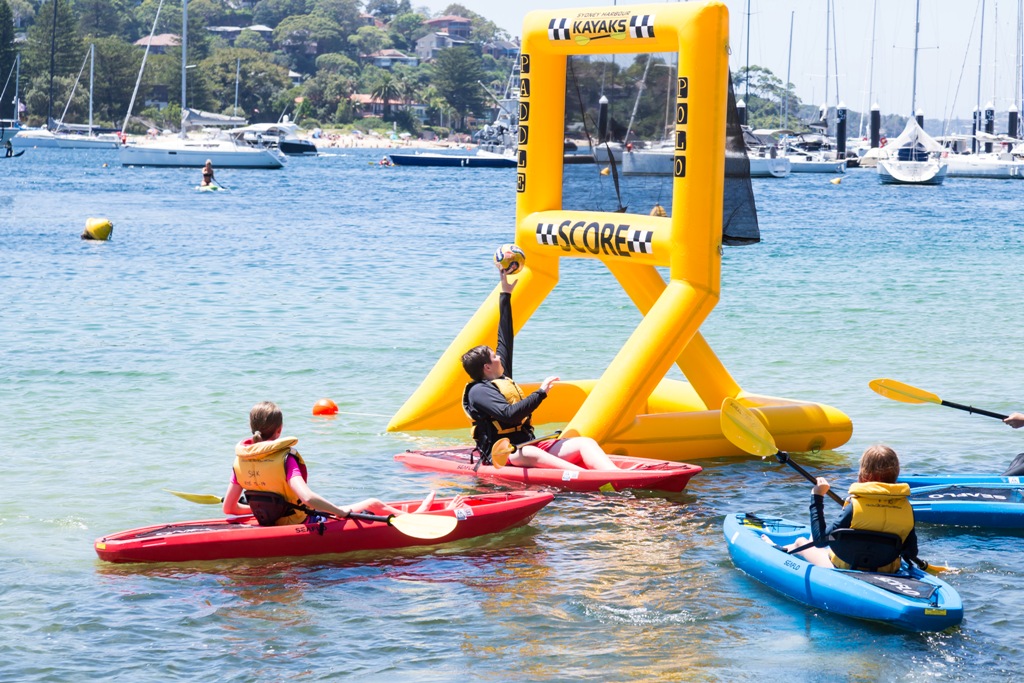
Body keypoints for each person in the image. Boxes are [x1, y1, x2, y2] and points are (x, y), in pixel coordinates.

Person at [460, 266, 620, 472]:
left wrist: (505, 293)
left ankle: (615, 474)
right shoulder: (478, 392)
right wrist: (541, 393)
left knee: (584, 442)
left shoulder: (501, 376)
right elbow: (510, 416)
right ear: (487, 366)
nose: (499, 356)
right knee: (530, 453)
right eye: (494, 356)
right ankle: (589, 478)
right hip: (503, 454)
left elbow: (505, 336)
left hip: (528, 445)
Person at [224, 401, 460, 525]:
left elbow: (230, 509)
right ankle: (415, 518)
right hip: (302, 520)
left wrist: (263, 511)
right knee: (373, 502)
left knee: (362, 505)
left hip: (269, 522)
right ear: (279, 430)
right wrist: (340, 512)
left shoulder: (240, 460)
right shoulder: (285, 459)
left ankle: (411, 515)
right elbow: (306, 498)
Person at [778, 445, 919, 574]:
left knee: (804, 541)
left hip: (845, 568)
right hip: (887, 570)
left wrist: (817, 496)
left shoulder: (854, 507)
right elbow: (910, 553)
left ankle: (785, 547)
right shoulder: (906, 509)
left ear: (863, 474)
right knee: (822, 537)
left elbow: (820, 540)